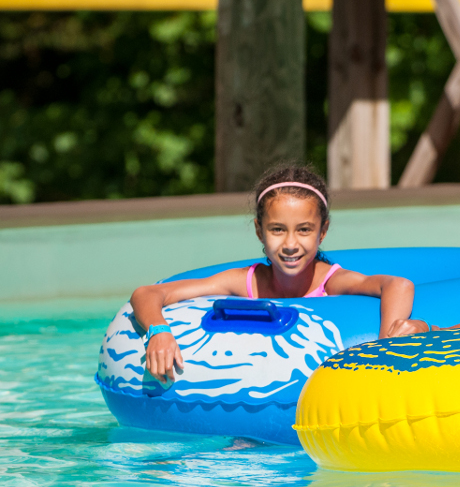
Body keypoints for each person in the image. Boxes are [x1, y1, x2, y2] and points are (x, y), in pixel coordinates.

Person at [131, 163, 426, 382]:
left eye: (304, 230)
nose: (290, 245)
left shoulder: (330, 281)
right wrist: (159, 331)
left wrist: (387, 346)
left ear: (322, 231)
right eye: (277, 230)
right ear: (260, 231)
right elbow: (148, 293)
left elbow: (398, 285)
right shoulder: (246, 282)